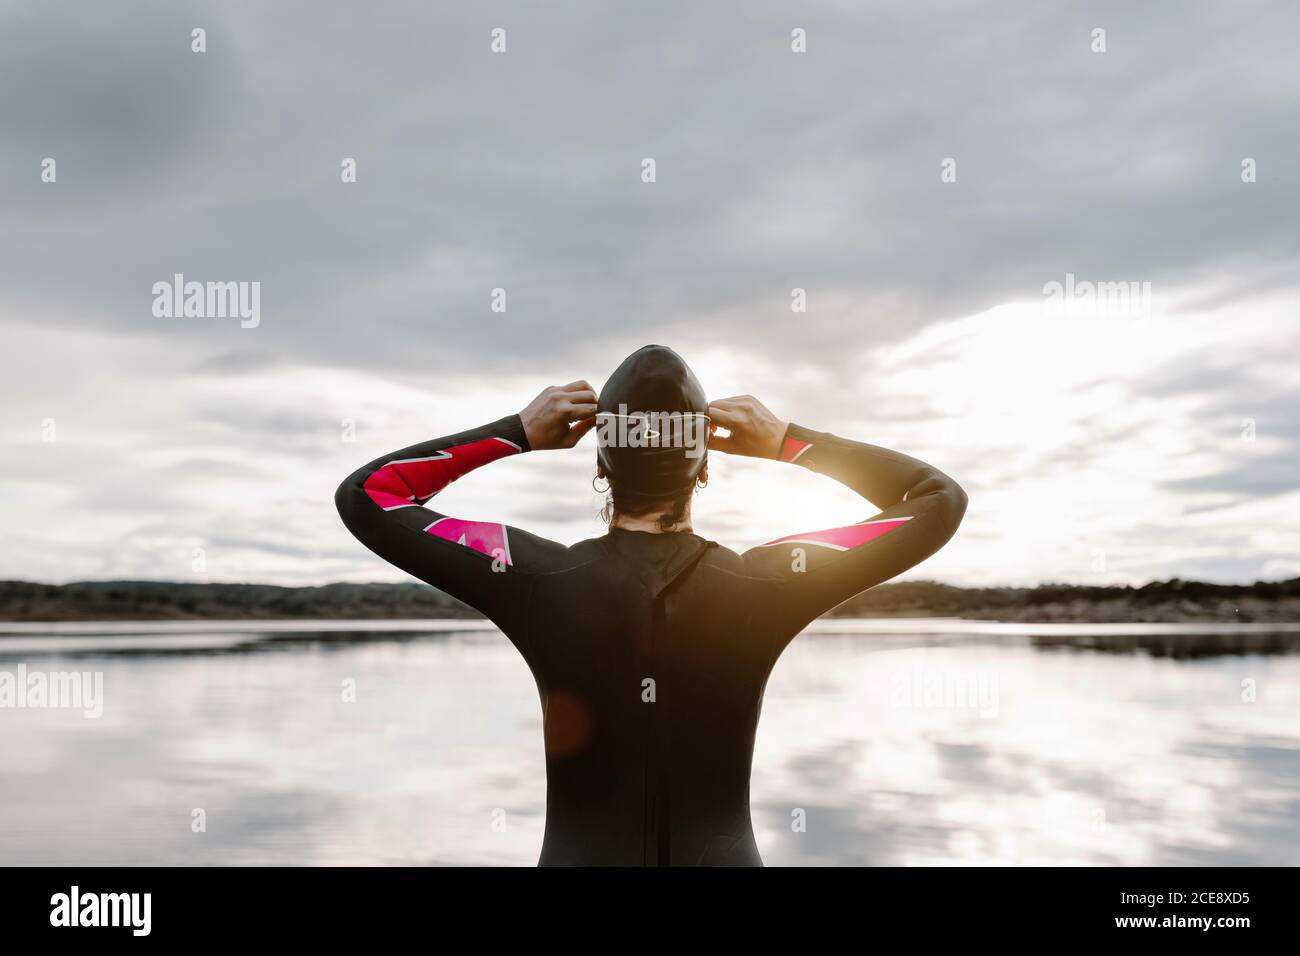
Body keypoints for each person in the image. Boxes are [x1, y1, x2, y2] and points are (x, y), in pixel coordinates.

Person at [335, 344, 967, 866]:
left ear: (602, 470)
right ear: (705, 470)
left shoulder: (529, 575)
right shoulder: (774, 581)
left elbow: (370, 495)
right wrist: (787, 441)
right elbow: (935, 496)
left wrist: (516, 434)